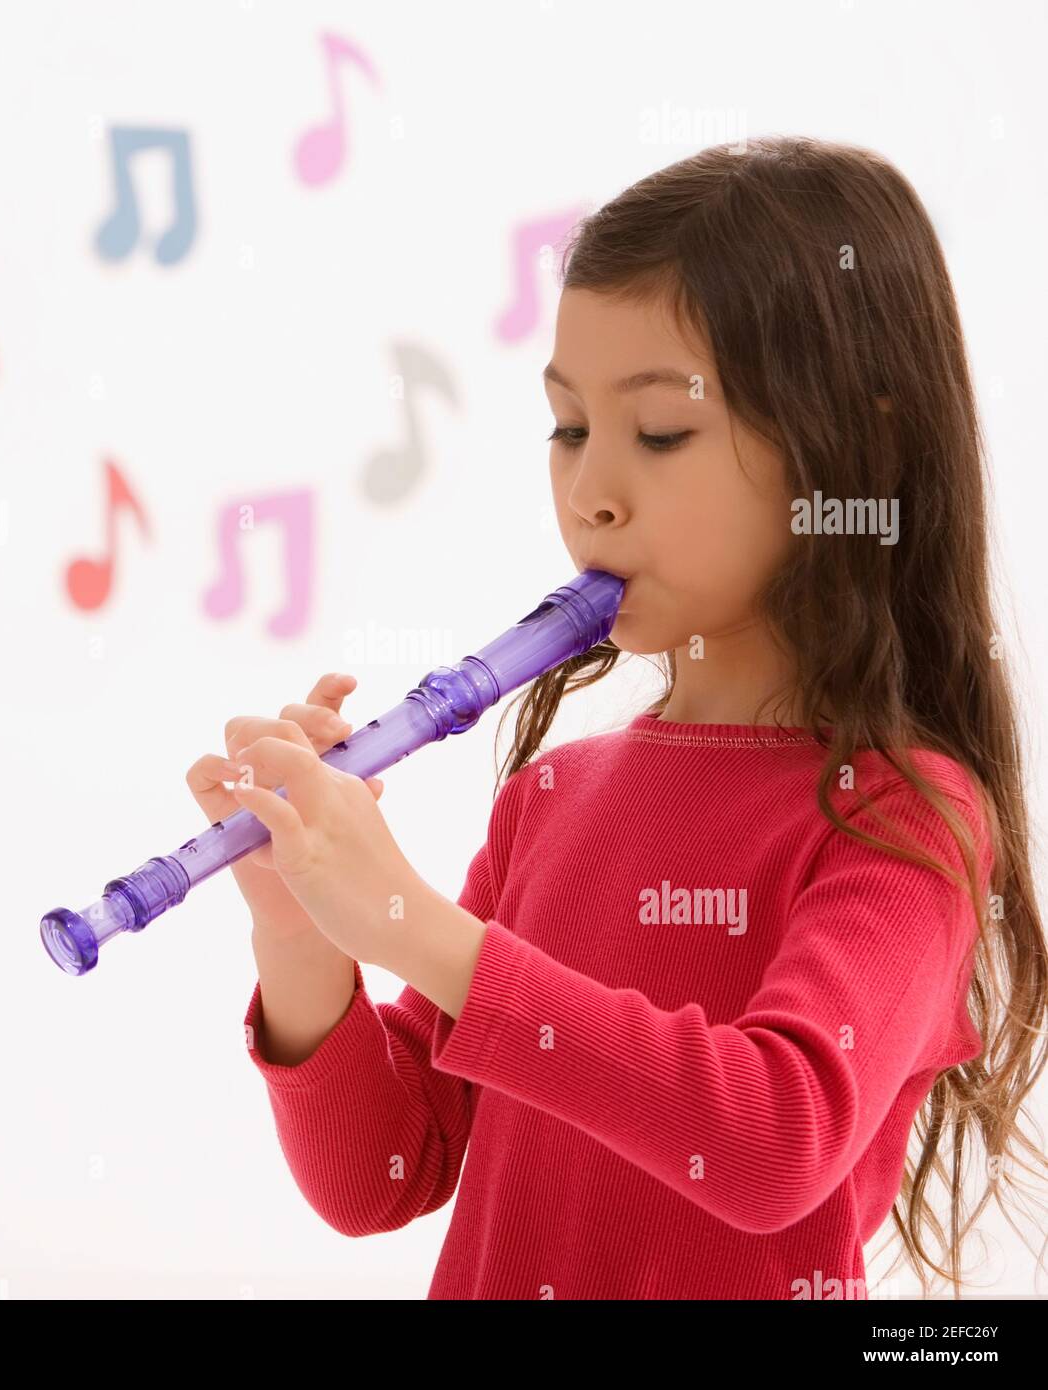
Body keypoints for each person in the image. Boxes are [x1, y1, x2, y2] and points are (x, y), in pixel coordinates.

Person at [187, 135, 1046, 1299]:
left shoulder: (908, 820)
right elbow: (386, 1171)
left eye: (658, 433)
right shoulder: (551, 797)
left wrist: (414, 927)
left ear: (855, 447)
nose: (590, 489)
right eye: (567, 427)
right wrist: (303, 938)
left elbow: (769, 1139)